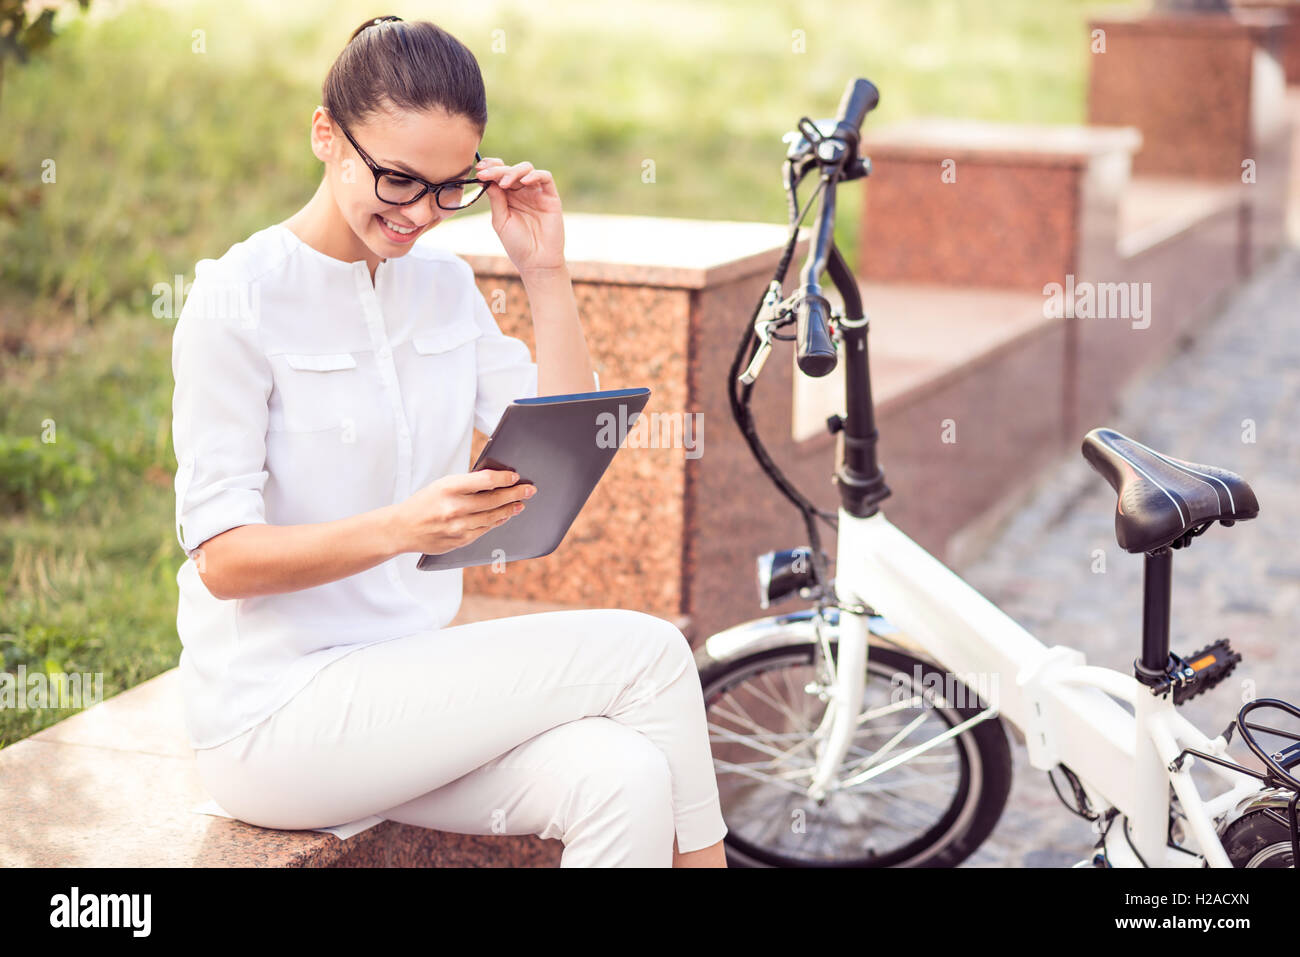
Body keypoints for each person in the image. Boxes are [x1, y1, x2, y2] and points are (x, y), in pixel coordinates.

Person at [172, 15, 727, 867]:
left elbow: (564, 434)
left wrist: (544, 268)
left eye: (447, 186)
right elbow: (223, 559)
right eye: (396, 179)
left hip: (410, 691)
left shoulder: (442, 285)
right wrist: (404, 527)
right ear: (326, 134)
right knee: (649, 652)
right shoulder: (236, 299)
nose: (420, 213)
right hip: (275, 714)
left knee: (625, 776)